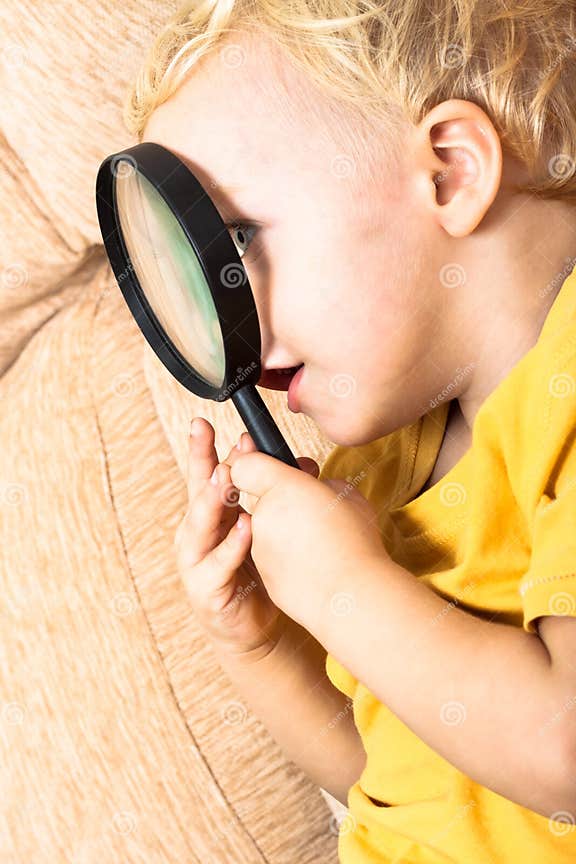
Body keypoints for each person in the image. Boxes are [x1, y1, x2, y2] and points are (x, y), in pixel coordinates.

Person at [125, 2, 576, 861]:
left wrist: (342, 585)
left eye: (240, 236)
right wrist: (257, 641)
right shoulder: (380, 469)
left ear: (449, 172)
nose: (233, 327)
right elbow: (394, 776)